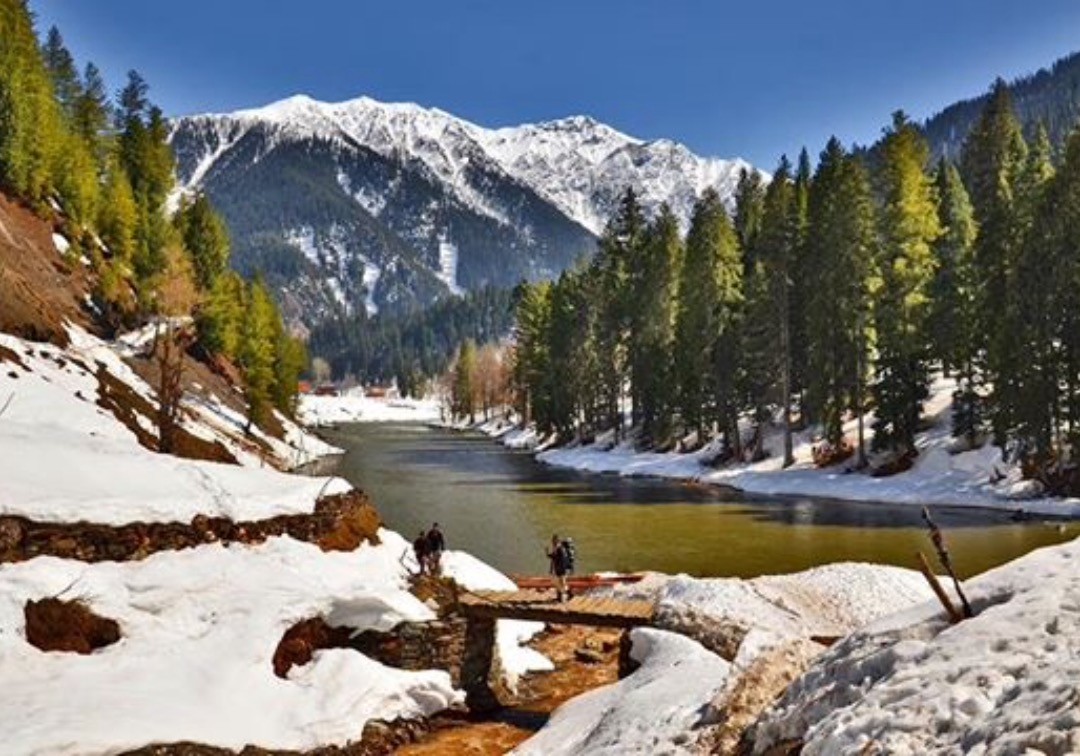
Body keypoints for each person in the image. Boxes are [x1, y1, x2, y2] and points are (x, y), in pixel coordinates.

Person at [547, 534, 571, 602]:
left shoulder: (560, 549)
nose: (552, 543)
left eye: (553, 541)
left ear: (556, 541)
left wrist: (562, 571)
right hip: (558, 569)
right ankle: (559, 598)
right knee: (558, 583)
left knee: (561, 583)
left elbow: (562, 560)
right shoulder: (557, 548)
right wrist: (548, 554)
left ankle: (569, 595)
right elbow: (554, 557)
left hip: (561, 570)